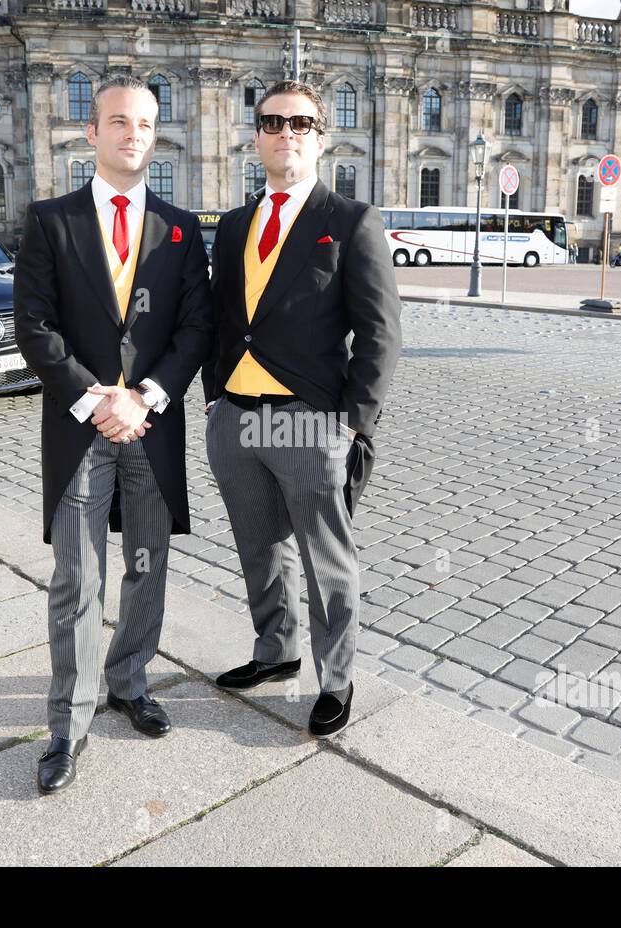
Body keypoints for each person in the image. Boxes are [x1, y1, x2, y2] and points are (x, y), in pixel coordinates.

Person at [12, 76, 214, 795]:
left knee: (146, 565)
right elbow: (33, 327)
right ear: (90, 132)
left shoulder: (183, 228)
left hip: (151, 427)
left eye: (145, 124)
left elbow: (196, 327)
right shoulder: (50, 220)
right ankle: (68, 726)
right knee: (77, 578)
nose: (133, 134)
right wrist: (98, 400)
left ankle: (129, 681)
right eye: (117, 121)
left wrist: (147, 398)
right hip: (81, 429)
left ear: (155, 136)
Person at [203, 79, 402, 738]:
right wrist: (213, 401)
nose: (285, 133)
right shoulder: (234, 226)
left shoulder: (349, 221)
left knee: (326, 561)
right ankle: (275, 652)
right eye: (272, 122)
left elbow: (381, 334)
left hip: (310, 417)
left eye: (300, 123)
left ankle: (336, 678)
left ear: (321, 137)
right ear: (256, 135)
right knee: (256, 548)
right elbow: (221, 320)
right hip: (236, 416)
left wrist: (352, 422)